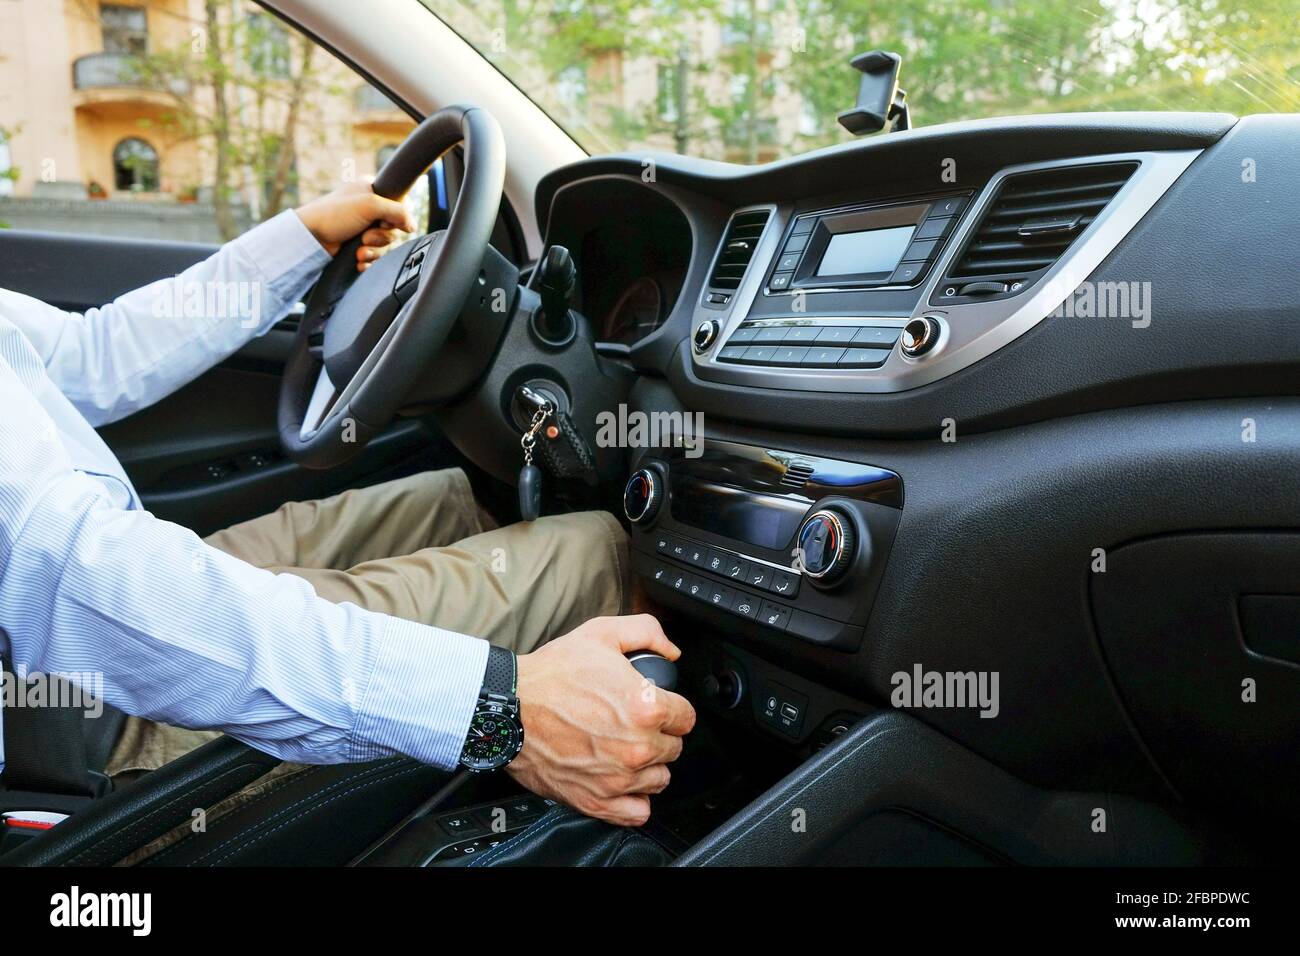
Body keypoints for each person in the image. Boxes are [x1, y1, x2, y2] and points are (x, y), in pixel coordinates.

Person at [0, 182, 694, 841]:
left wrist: (301, 238)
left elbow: (85, 356)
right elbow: (73, 575)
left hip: (87, 579)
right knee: (588, 551)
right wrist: (496, 711)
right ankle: (694, 803)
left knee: (454, 502)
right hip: (72, 715)